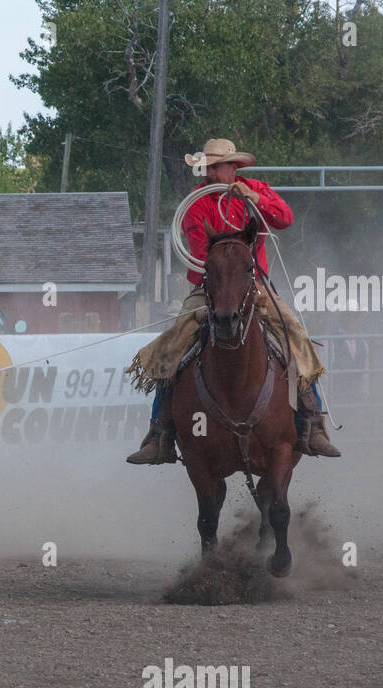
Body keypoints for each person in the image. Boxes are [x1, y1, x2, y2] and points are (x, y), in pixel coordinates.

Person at [125, 138, 340, 463]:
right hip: (208, 287)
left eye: (215, 167)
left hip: (256, 286)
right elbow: (201, 253)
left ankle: (313, 420)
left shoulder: (255, 190)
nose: (209, 173)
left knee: (294, 333)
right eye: (206, 167)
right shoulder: (196, 203)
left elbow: (285, 218)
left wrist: (254, 199)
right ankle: (161, 431)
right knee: (174, 343)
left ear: (232, 168)